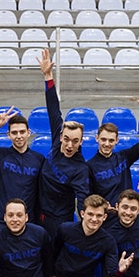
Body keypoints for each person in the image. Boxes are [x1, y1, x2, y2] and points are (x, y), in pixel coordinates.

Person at [36, 49, 91, 238]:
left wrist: (86, 216)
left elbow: (83, 197)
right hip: (38, 213)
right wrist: (48, 76)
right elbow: (54, 110)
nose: (69, 145)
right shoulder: (55, 142)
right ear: (61, 136)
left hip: (60, 221)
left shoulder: (80, 168)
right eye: (66, 139)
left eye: (75, 141)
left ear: (81, 142)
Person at [53, 194, 127, 277]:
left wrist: (120, 271)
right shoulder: (65, 230)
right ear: (82, 214)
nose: (94, 219)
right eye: (90, 214)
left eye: (99, 215)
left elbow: (110, 274)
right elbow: (53, 253)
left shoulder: (108, 241)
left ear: (104, 217)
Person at [87, 91, 139, 205]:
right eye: (103, 139)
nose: (107, 144)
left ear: (117, 141)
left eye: (111, 140)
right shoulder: (89, 166)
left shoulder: (124, 157)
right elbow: (89, 196)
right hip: (106, 216)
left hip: (128, 212)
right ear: (97, 138)